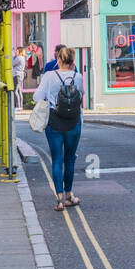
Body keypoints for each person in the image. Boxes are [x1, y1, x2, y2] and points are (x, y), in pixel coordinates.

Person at [34, 47, 84, 212]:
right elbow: (81, 95)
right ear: (72, 61)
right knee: (69, 159)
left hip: (54, 122)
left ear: (59, 60)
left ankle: (60, 199)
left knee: (57, 159)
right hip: (73, 122)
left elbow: (37, 97)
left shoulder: (49, 76)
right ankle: (70, 195)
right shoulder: (78, 77)